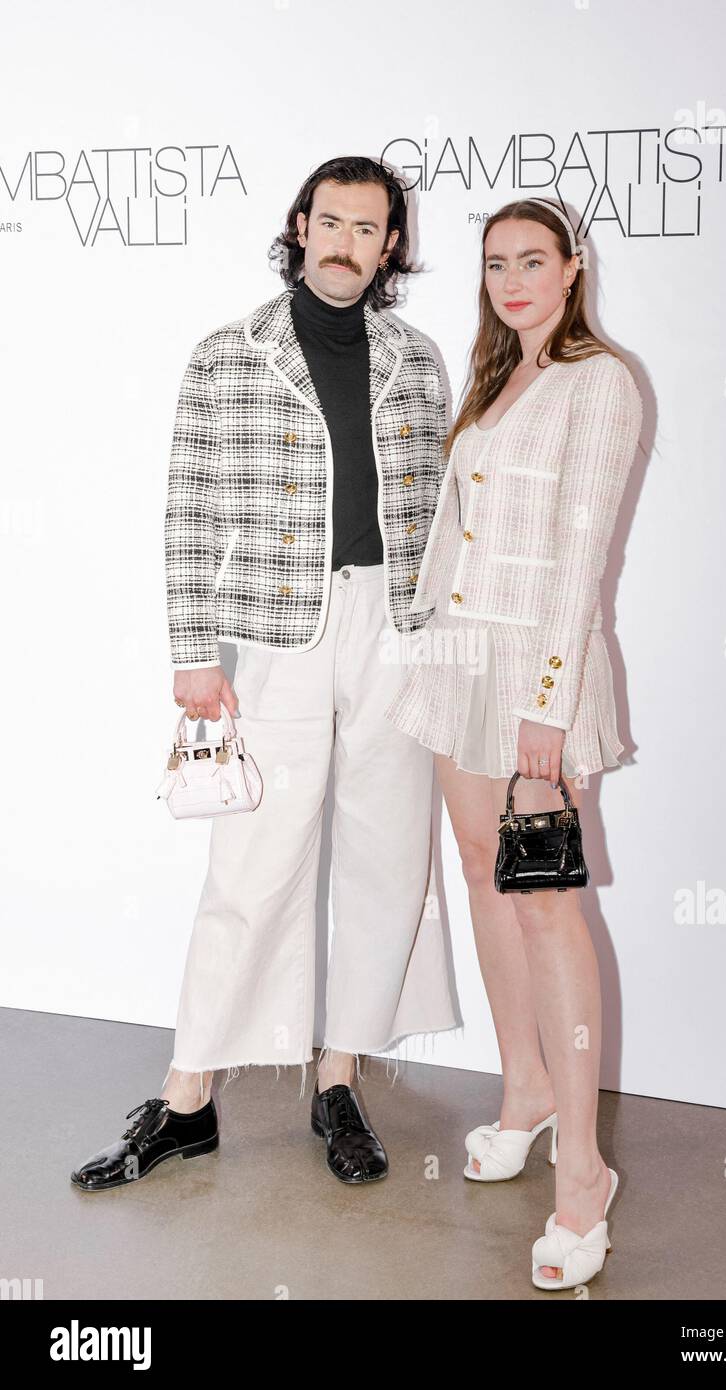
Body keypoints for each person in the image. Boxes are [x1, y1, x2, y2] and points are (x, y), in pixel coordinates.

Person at [70, 155, 460, 1194]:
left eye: (365, 227)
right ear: (298, 227)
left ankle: (336, 1081)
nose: (343, 240)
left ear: (389, 245)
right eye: (327, 221)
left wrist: (441, 636)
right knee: (253, 867)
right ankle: (189, 1096)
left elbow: (442, 512)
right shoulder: (225, 355)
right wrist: (192, 653)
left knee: (387, 857)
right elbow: (188, 512)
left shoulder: (416, 360)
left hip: (393, 625)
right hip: (272, 632)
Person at [383, 196, 643, 1287]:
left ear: (572, 267)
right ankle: (524, 1092)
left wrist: (550, 700)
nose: (512, 280)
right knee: (485, 884)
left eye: (532, 260)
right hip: (457, 664)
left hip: (538, 675)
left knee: (548, 902)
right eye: (495, 264)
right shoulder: (492, 381)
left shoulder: (602, 381)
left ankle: (582, 1174)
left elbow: (582, 561)